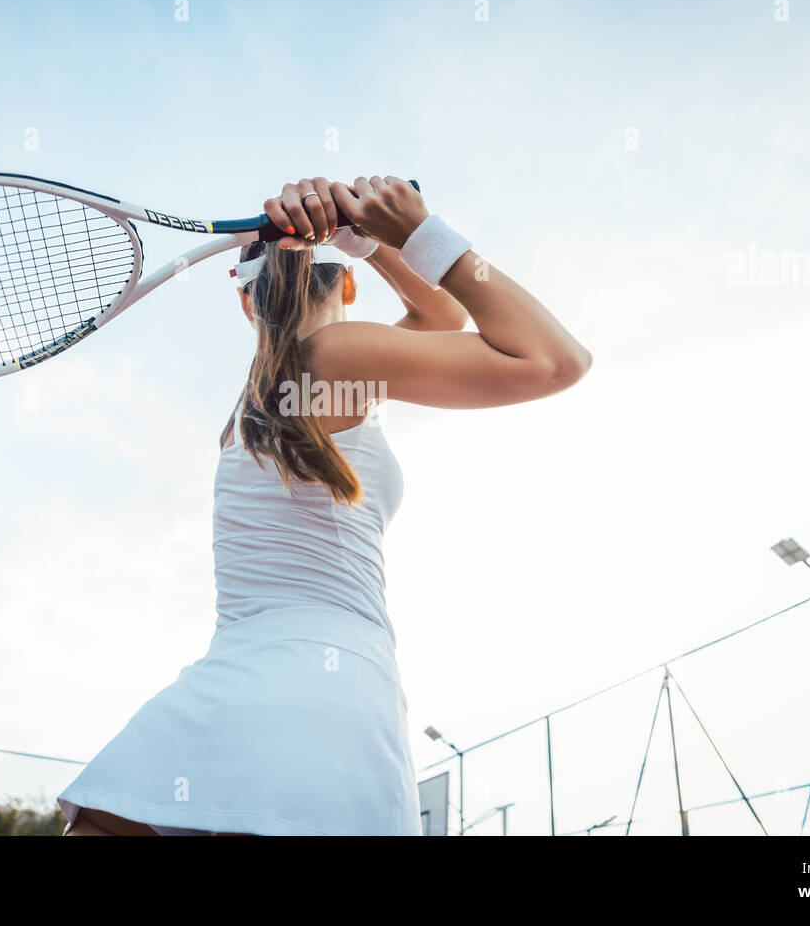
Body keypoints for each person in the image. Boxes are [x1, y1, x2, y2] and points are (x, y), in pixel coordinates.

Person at [58, 175, 592, 835]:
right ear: (346, 288)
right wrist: (412, 236)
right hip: (328, 706)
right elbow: (553, 360)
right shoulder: (334, 357)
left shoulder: (256, 403)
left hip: (224, 696)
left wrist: (354, 237)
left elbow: (437, 321)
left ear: (245, 302)